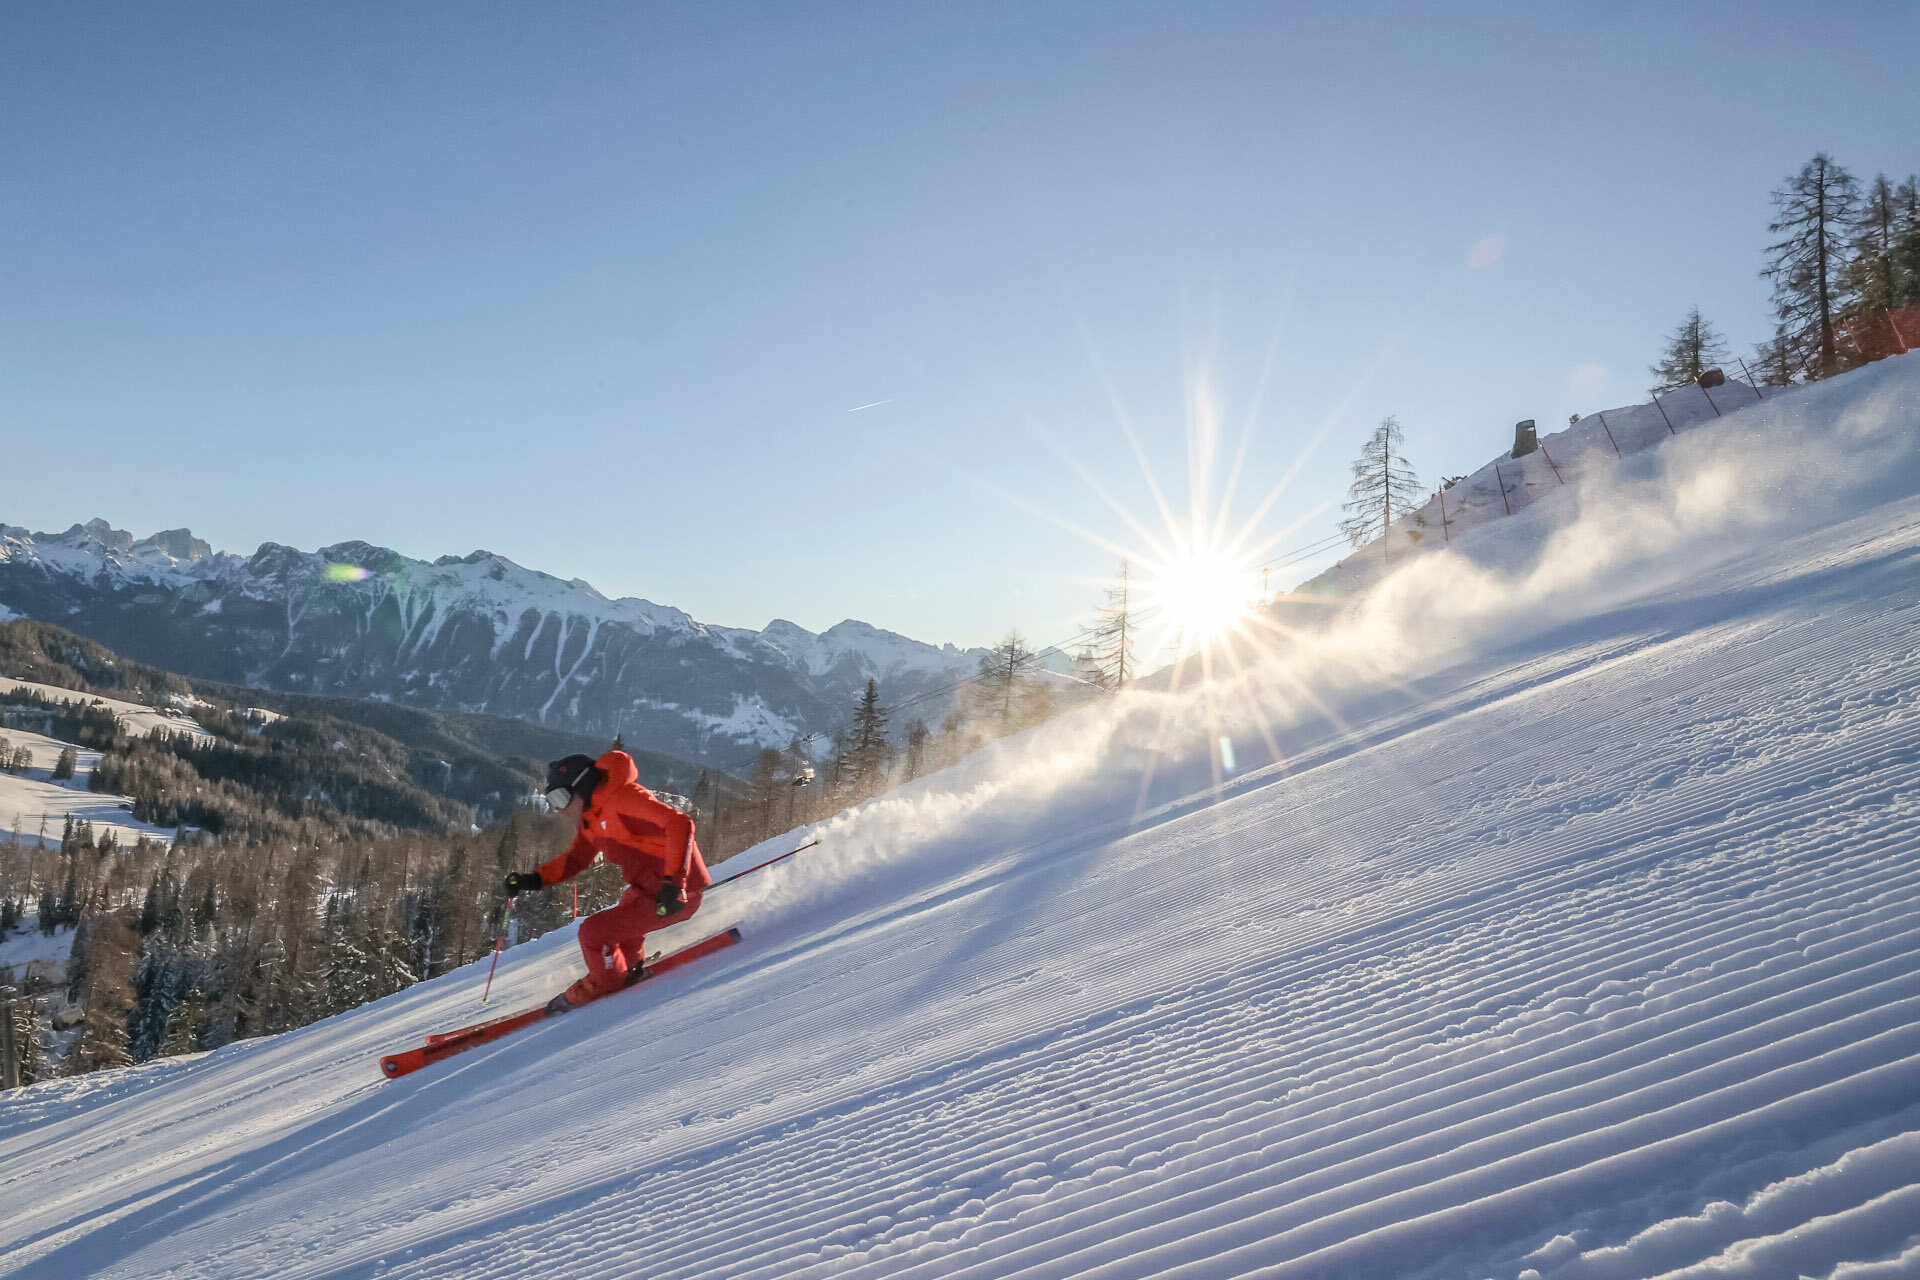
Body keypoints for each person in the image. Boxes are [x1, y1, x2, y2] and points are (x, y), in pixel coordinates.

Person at [504, 749, 711, 1013]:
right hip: (648, 891)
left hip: (677, 894)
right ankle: (628, 969)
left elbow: (680, 824)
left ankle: (607, 984)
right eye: (552, 800)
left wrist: (675, 883)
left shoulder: (623, 799)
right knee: (620, 929)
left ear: (581, 787)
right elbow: (574, 860)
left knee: (593, 934)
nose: (558, 809)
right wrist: (532, 880)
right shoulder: (591, 819)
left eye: (561, 798)